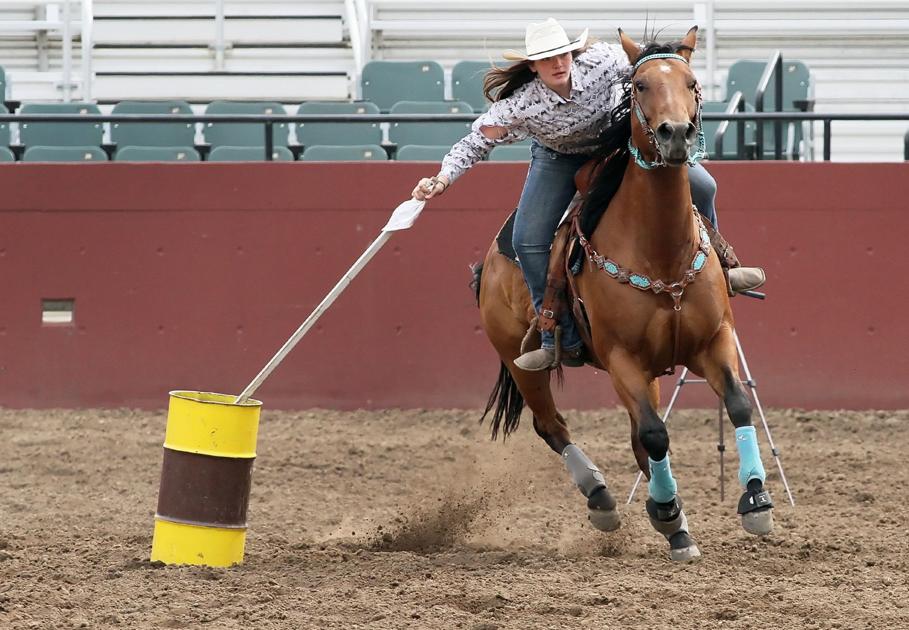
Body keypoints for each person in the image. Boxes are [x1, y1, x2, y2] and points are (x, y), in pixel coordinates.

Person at [411, 18, 765, 372]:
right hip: (557, 159)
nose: (559, 63)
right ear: (533, 66)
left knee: (704, 186)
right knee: (527, 238)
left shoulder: (602, 61)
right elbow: (476, 142)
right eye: (548, 59)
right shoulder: (518, 106)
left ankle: (722, 265)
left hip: (616, 146)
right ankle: (553, 331)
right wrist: (442, 178)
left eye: (563, 54)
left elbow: (650, 65)